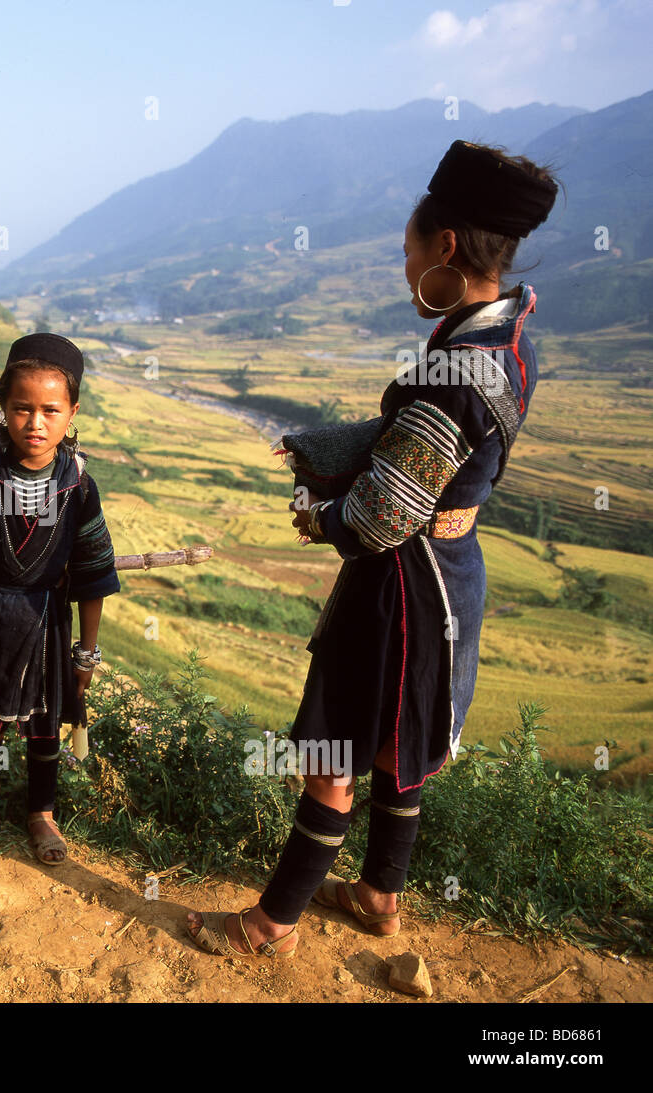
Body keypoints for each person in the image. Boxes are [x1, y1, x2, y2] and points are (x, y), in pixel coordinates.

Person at [186, 141, 558, 958]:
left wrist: (317, 513)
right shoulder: (514, 336)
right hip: (453, 573)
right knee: (401, 747)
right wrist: (320, 444)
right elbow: (416, 445)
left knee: (333, 750)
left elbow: (383, 514)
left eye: (408, 252)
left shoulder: (458, 367)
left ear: (447, 250)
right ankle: (381, 897)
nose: (404, 268)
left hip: (400, 587)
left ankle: (268, 924)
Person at [0, 332, 120, 878]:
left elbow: (93, 576)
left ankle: (42, 815)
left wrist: (86, 654)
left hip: (50, 623)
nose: (35, 422)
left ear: (72, 412)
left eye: (50, 410)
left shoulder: (78, 487)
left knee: (45, 727)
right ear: (3, 409)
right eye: (21, 408)